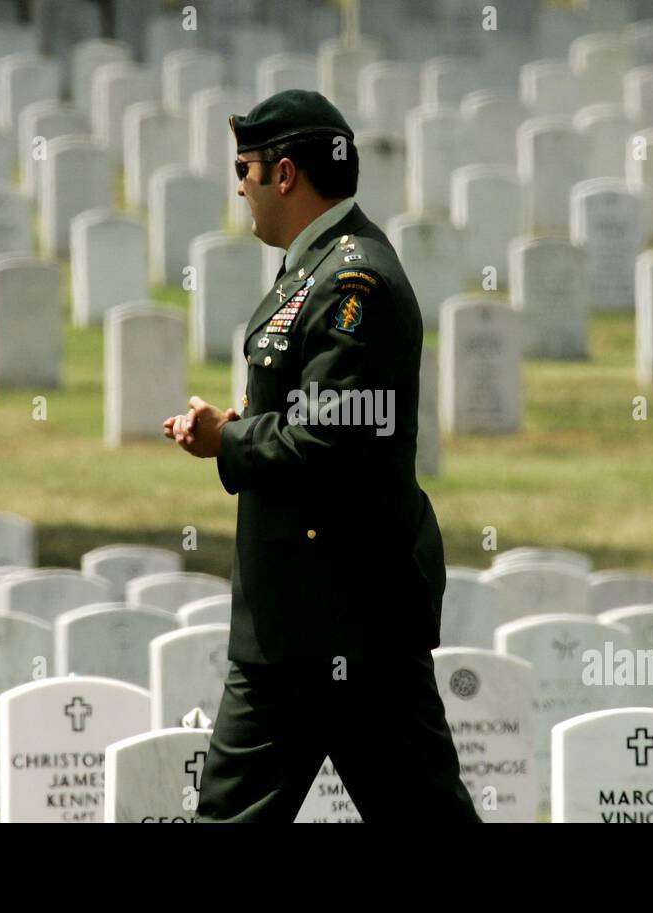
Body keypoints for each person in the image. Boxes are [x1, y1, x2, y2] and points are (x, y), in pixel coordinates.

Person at [162, 89, 480, 823]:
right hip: (304, 619)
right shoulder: (318, 267)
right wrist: (252, 420)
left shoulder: (352, 282)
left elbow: (333, 443)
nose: (237, 183)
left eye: (244, 166)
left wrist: (227, 440)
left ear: (285, 175)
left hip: (346, 618)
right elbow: (320, 418)